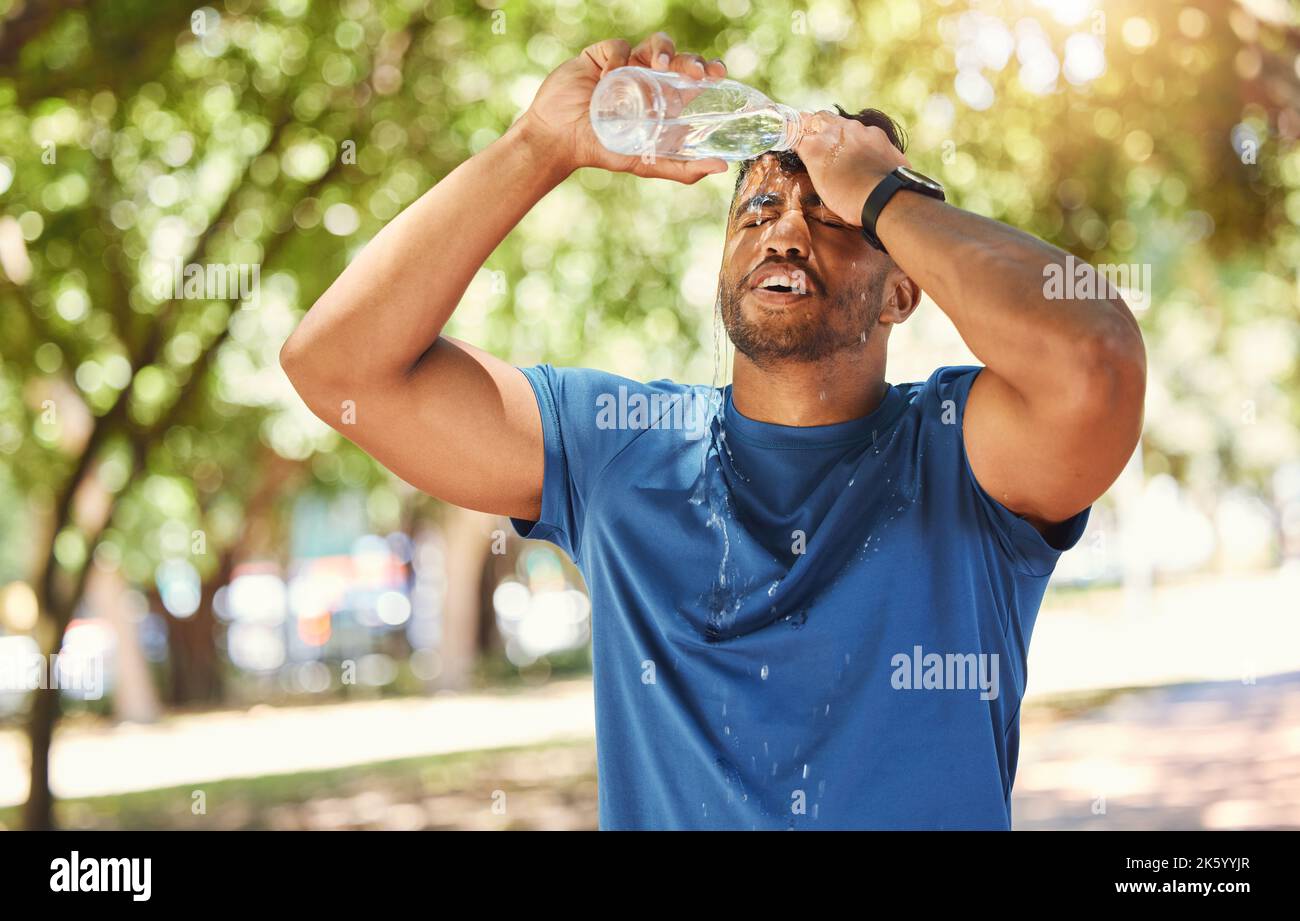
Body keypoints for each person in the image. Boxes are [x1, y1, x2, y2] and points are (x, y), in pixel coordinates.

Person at [280, 32, 1146, 829]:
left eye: (833, 215)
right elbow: (338, 367)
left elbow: (1094, 364)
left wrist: (883, 192)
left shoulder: (965, 453)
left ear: (903, 290)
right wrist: (537, 147)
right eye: (759, 207)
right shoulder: (618, 446)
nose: (787, 229)